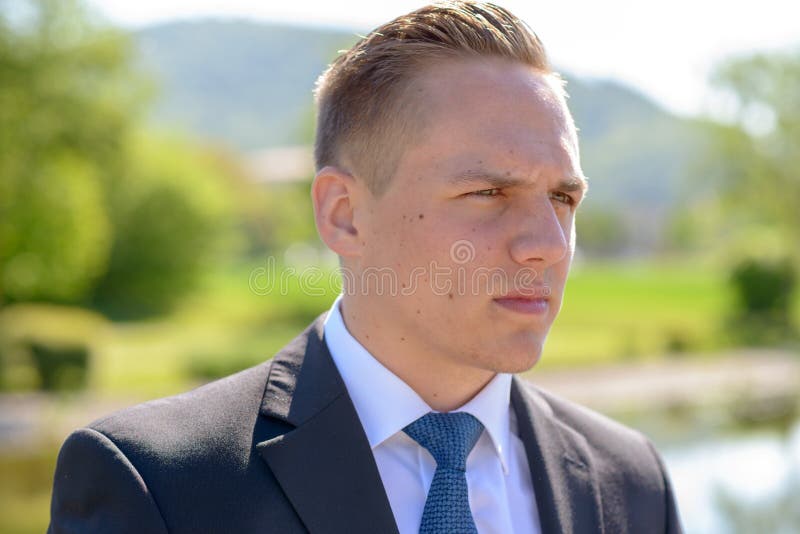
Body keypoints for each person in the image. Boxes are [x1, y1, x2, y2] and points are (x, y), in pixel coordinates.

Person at [48, 2, 683, 533]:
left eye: (563, 198)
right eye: (489, 193)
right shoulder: (158, 485)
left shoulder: (632, 482)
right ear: (345, 215)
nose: (549, 244)